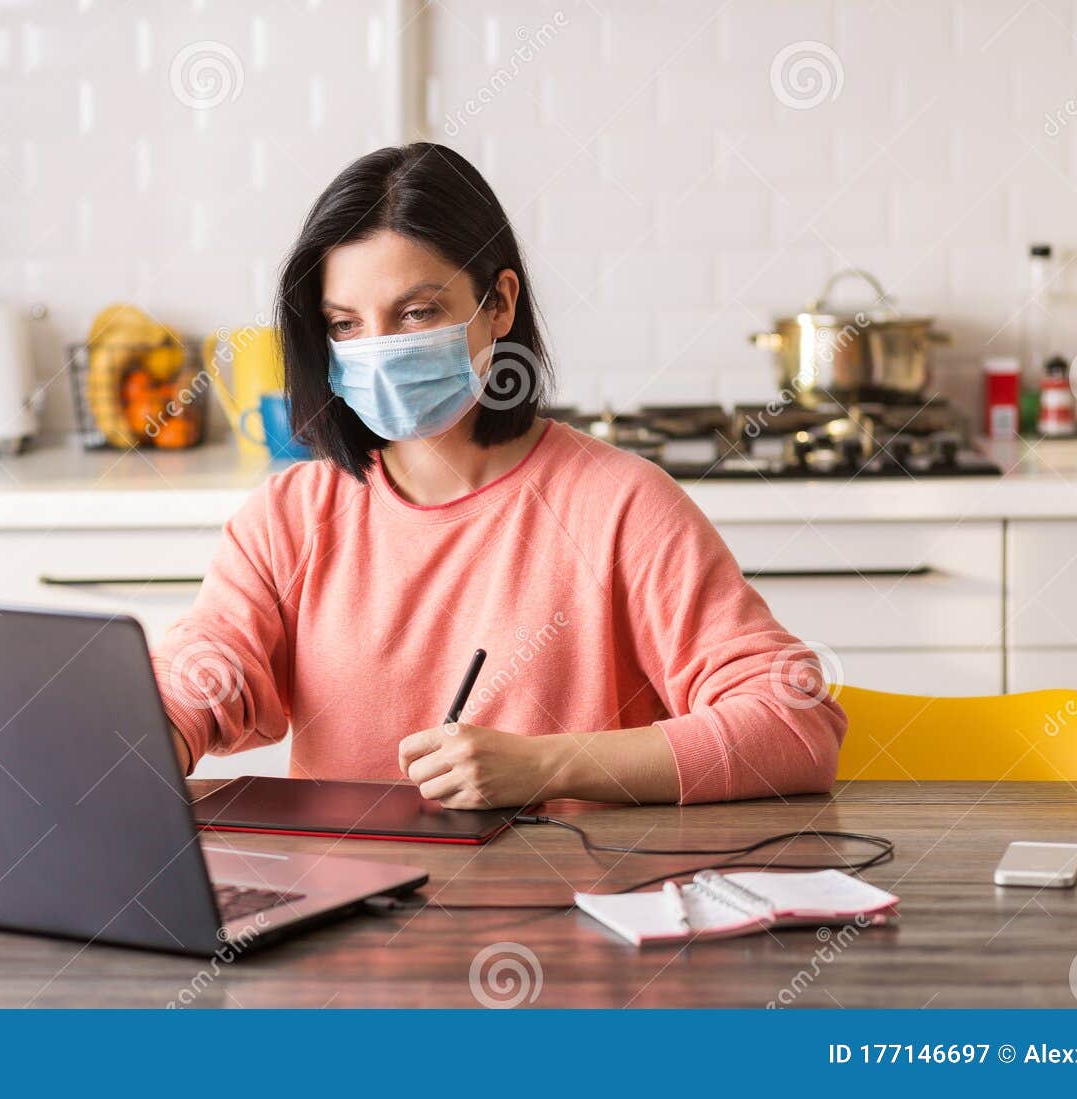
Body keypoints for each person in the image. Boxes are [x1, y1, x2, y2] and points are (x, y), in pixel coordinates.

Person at [151, 142, 844, 809]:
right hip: (344, 913)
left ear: (499, 304)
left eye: (417, 312)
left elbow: (794, 726)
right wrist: (152, 734)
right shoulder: (289, 516)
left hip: (559, 913)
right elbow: (208, 671)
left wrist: (547, 766)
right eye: (345, 324)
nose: (380, 351)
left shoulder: (621, 506)